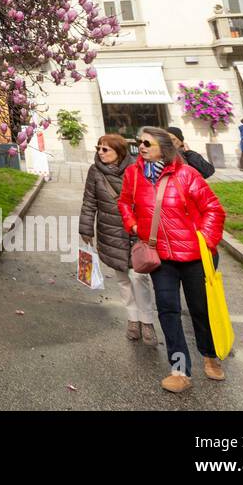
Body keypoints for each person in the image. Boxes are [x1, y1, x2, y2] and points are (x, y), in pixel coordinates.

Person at [119, 126, 227, 393]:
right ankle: (179, 368)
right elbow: (124, 202)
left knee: (200, 309)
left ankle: (209, 355)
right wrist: (133, 225)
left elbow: (214, 209)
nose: (141, 147)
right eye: (139, 142)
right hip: (161, 256)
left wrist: (205, 240)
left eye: (147, 143)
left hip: (193, 256)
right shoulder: (133, 175)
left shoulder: (187, 174)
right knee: (168, 310)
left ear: (164, 149)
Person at [80, 133, 157, 345]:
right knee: (123, 279)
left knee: (139, 277)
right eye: (98, 148)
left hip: (135, 230)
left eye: (105, 149)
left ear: (119, 152)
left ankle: (147, 321)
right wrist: (86, 229)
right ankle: (133, 319)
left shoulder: (137, 169)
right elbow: (89, 201)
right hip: (110, 232)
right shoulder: (95, 171)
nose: (100, 153)